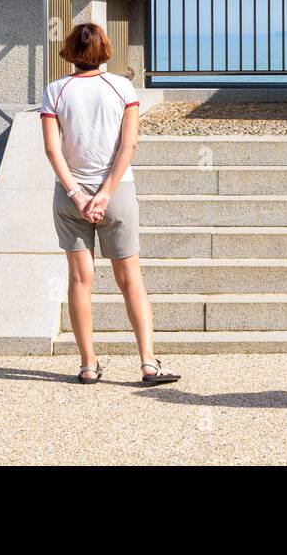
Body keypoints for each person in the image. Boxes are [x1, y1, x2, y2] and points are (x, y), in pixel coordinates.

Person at [41, 22, 179, 387]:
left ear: (69, 50)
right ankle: (148, 363)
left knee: (79, 280)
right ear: (104, 49)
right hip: (115, 192)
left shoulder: (55, 91)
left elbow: (53, 149)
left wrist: (77, 194)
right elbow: (128, 145)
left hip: (70, 195)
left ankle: (88, 365)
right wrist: (104, 193)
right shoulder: (121, 87)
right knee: (130, 278)